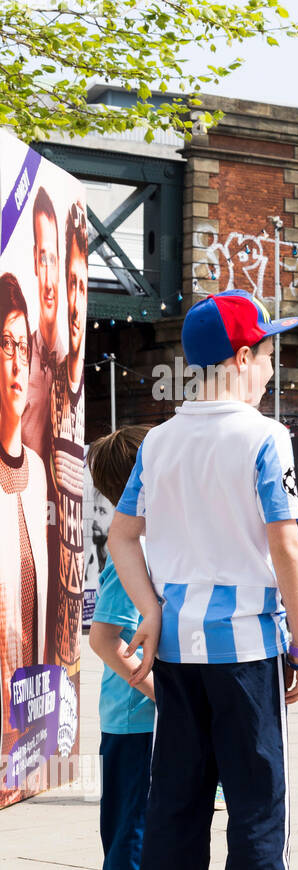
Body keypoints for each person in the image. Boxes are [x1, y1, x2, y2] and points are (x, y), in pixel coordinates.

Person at [107, 289, 298, 870]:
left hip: (178, 653)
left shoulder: (160, 441)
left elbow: (122, 536)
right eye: (266, 354)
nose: (269, 370)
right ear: (244, 357)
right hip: (247, 648)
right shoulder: (264, 436)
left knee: (179, 798)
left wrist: (151, 608)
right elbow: (286, 545)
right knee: (258, 798)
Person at [87, 425, 232, 870]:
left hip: (163, 717)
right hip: (135, 721)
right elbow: (105, 639)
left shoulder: (162, 545)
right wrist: (163, 695)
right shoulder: (133, 553)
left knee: (178, 820)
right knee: (134, 825)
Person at [0, 274, 47, 774]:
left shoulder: (36, 474)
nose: (17, 362)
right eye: (5, 343)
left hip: (26, 722)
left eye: (23, 345)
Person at [48, 202, 89, 678]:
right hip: (49, 620)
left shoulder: (76, 401)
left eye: (82, 284)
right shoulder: (49, 389)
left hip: (70, 641)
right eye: (70, 286)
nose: (77, 302)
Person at [21, 187, 61, 473]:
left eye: (54, 260)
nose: (49, 280)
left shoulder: (71, 364)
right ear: (35, 260)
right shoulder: (16, 366)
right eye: (43, 259)